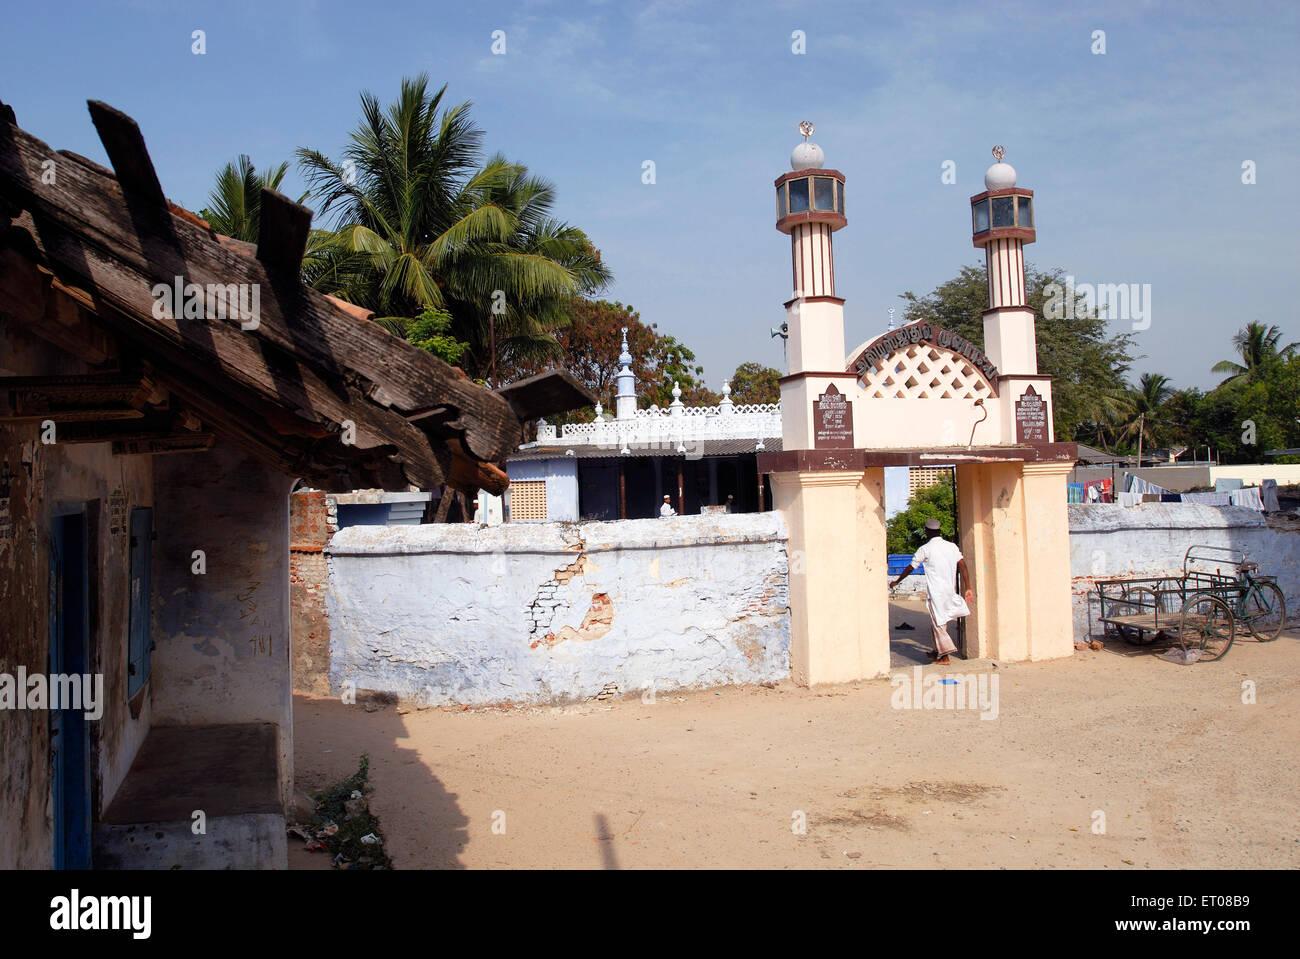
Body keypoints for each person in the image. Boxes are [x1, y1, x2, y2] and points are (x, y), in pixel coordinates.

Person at [888, 518, 974, 665]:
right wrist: (968, 587)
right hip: (950, 591)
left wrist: (897, 581)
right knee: (940, 621)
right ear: (939, 531)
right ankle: (936, 651)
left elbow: (910, 567)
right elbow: (963, 566)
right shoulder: (952, 547)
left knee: (938, 623)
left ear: (927, 532)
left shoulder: (925, 549)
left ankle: (945, 656)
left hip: (936, 593)